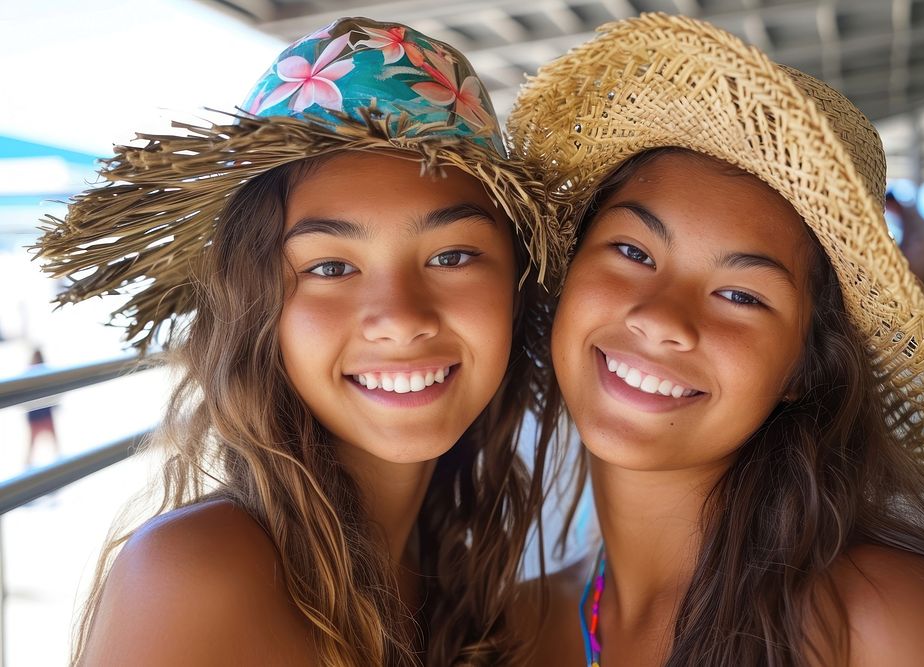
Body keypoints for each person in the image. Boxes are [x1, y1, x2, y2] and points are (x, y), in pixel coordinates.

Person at [35, 17, 563, 666]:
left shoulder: (452, 576)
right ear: (258, 309)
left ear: (515, 286)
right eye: (331, 267)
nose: (399, 317)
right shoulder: (197, 575)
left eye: (452, 255)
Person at [507, 13, 924, 666]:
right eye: (632, 249)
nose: (662, 319)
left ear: (803, 364)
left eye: (742, 295)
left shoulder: (882, 620)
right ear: (567, 276)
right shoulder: (511, 626)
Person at [25, 347, 60, 467]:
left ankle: (29, 465)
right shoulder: (44, 373)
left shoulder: (30, 374)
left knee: (35, 444)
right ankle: (59, 463)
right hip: (42, 413)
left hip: (40, 413)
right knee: (35, 443)